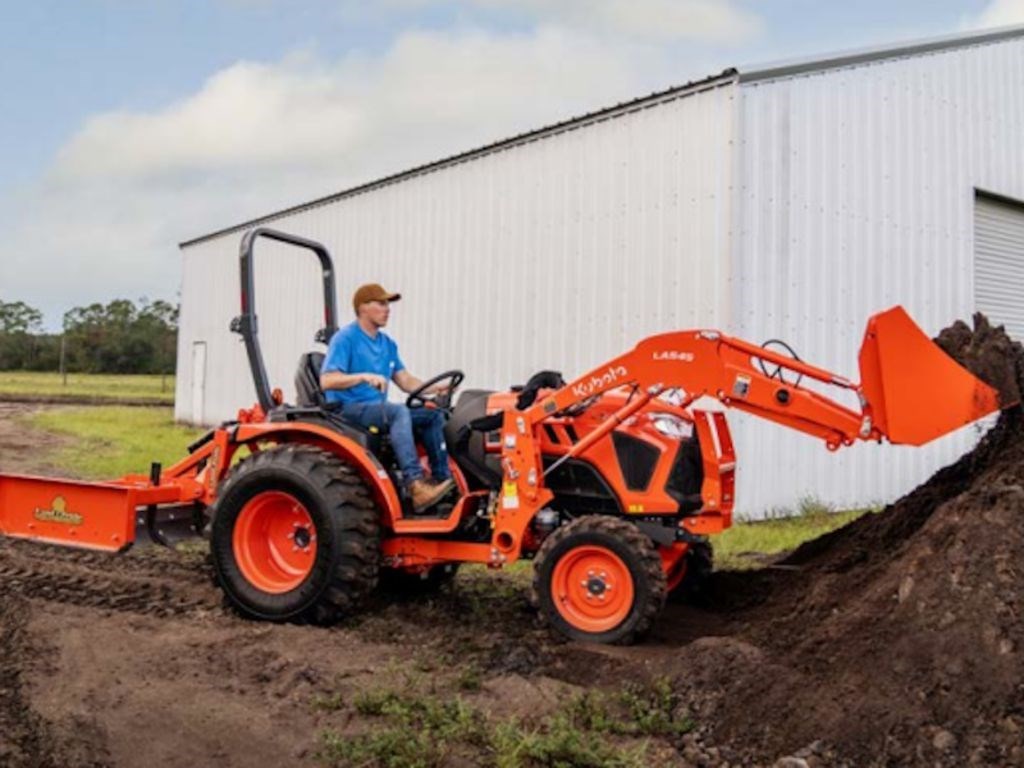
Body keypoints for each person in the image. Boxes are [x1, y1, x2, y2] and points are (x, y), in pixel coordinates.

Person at [320, 283, 455, 512]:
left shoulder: (387, 344)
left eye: (388, 304)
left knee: (432, 415)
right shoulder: (345, 339)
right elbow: (327, 380)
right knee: (398, 412)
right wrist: (363, 377)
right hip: (348, 409)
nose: (387, 309)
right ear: (363, 308)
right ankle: (415, 484)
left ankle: (443, 481)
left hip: (376, 410)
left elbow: (404, 380)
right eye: (381, 303)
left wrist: (435, 389)